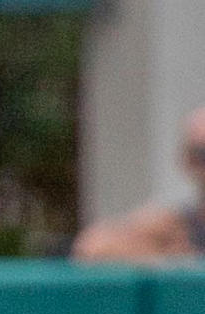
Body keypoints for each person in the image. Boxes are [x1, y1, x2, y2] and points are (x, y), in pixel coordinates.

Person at [71, 104, 205, 264]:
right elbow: (92, 247)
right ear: (188, 160)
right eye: (203, 154)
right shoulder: (172, 229)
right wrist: (170, 260)